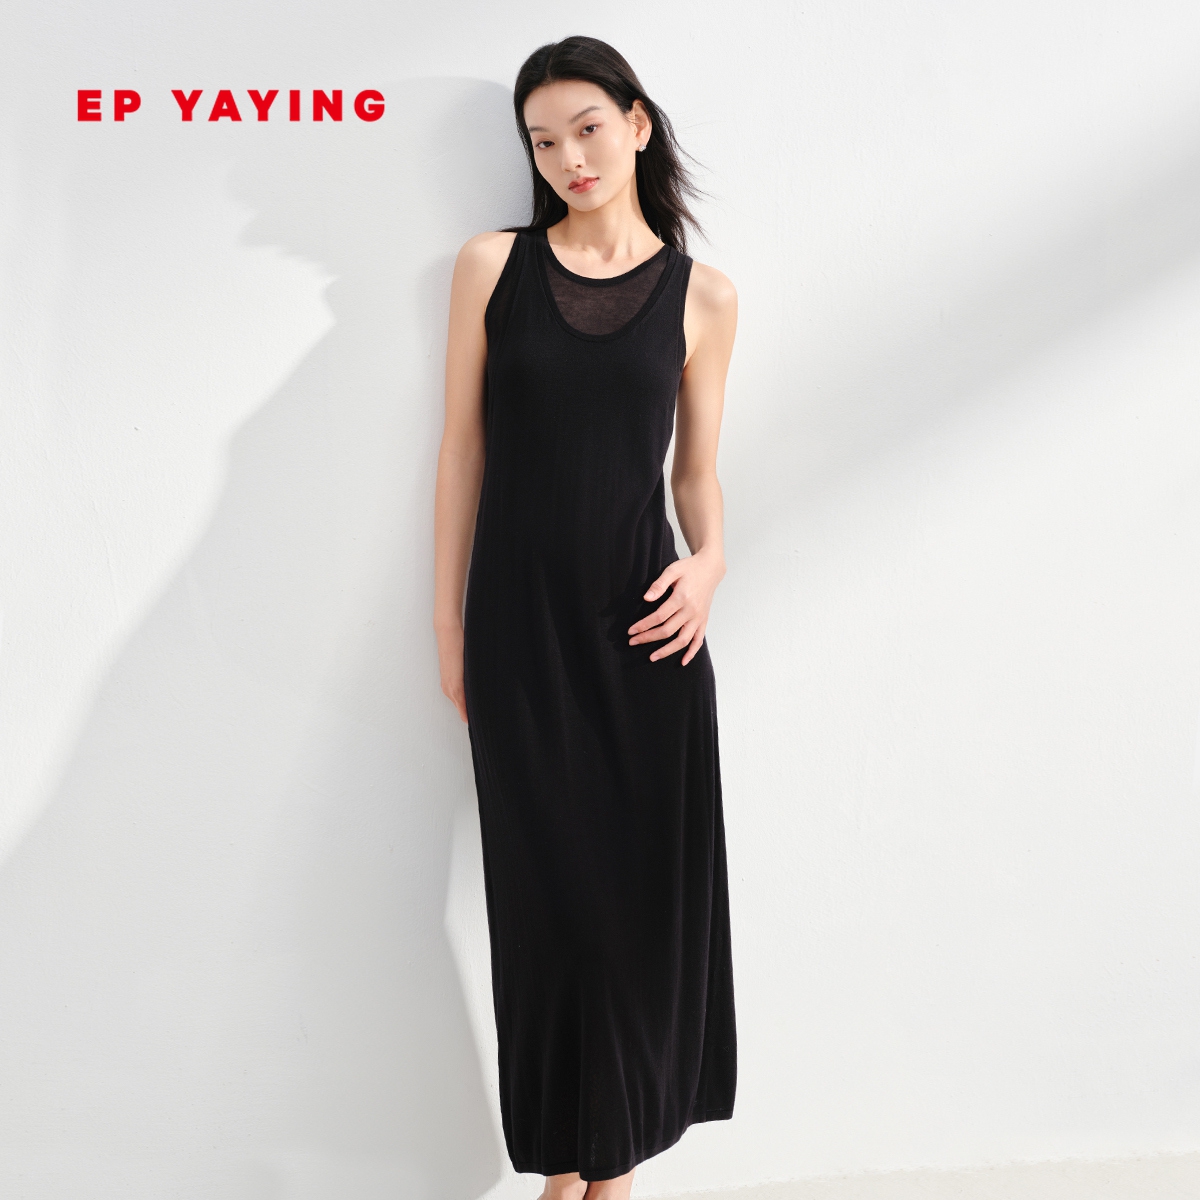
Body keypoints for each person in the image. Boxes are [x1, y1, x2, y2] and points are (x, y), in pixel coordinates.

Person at [433, 35, 738, 1200]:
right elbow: (462, 453)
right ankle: (570, 1169)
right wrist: (452, 630)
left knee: (634, 922)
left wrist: (711, 564)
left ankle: (600, 1179)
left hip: (646, 641)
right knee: (548, 912)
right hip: (522, 636)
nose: (569, 157)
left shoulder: (704, 296)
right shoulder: (492, 267)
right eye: (543, 140)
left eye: (588, 128)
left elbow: (695, 476)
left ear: (638, 124)